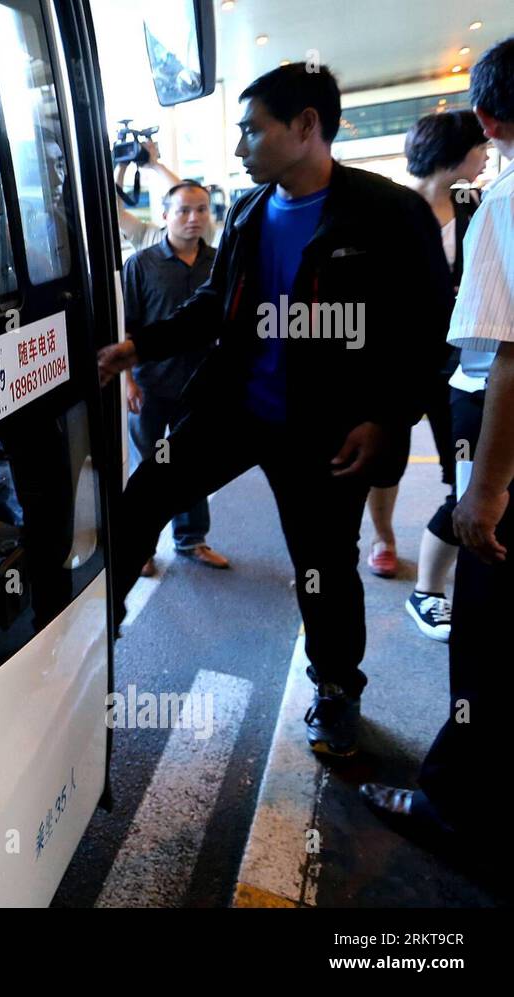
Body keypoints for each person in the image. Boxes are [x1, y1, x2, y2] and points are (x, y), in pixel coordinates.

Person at [97, 63, 452, 758]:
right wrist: (136, 346)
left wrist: (387, 417)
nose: (240, 148)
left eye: (252, 130)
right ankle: (95, 637)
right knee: (145, 495)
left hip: (329, 431)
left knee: (323, 566)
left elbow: (426, 329)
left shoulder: (385, 212)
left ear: (306, 127)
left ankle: (338, 691)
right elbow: (213, 306)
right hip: (239, 407)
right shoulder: (255, 214)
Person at [360, 37, 514, 846]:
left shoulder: (495, 205)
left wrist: (485, 492)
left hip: (473, 388)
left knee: (485, 620)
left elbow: (510, 357)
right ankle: (394, 547)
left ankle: (456, 805)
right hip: (436, 377)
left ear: (491, 123)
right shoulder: (409, 210)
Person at [363, 111, 490, 586]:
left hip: (455, 359)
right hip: (393, 362)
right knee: (386, 458)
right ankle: (383, 537)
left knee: (458, 460)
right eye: (479, 149)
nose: (484, 157)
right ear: (451, 155)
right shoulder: (388, 209)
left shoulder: (475, 205)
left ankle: (447, 549)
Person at [123, 180, 230, 575]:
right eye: (184, 210)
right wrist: (128, 383)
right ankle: (142, 548)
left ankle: (191, 540)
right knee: (149, 469)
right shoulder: (141, 264)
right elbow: (127, 327)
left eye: (201, 210)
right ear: (165, 215)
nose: (193, 218)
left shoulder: (221, 263)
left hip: (201, 386)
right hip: (150, 386)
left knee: (192, 466)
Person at [116, 140, 192, 251]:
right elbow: (113, 213)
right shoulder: (145, 234)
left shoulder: (197, 234)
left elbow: (186, 198)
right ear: (165, 214)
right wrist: (121, 166)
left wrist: (156, 165)